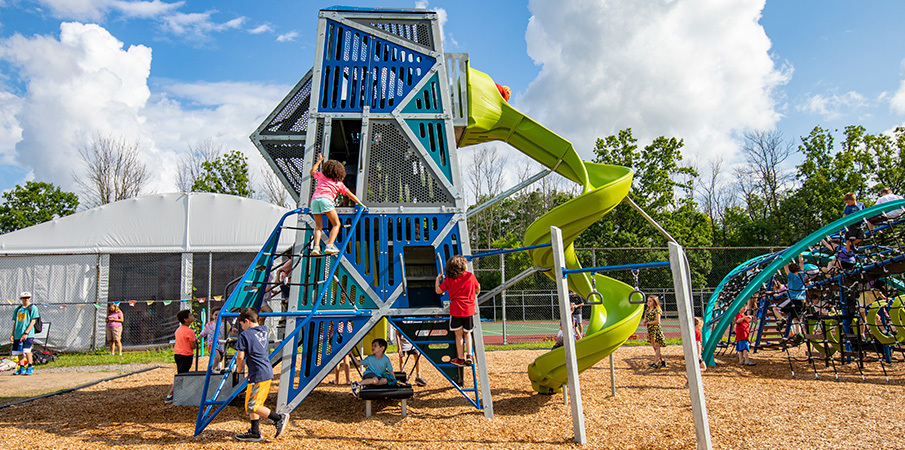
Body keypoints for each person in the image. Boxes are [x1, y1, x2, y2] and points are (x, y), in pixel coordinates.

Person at [233, 308, 289, 442]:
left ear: (246, 321)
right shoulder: (264, 330)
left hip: (257, 374)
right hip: (264, 371)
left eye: (241, 324)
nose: (242, 327)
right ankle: (254, 431)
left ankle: (278, 418)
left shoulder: (244, 336)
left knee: (253, 406)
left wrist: (239, 369)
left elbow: (240, 357)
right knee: (252, 403)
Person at [309, 153, 366, 256]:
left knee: (318, 227)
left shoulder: (321, 176)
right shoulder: (339, 183)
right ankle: (330, 245)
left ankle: (316, 247)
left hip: (314, 201)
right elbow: (350, 195)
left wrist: (319, 161)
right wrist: (361, 204)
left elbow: (312, 171)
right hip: (326, 200)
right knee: (336, 224)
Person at [435, 255, 481, 367]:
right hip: (469, 309)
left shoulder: (450, 280)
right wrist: (474, 293)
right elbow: (478, 288)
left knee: (458, 334)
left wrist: (437, 280)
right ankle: (469, 355)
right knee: (468, 333)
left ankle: (460, 358)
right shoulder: (470, 276)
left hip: (456, 310)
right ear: (462, 266)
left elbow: (438, 290)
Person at [166, 309, 197, 404]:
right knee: (182, 376)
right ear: (186, 319)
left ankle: (178, 394)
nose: (192, 317)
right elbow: (193, 345)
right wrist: (196, 343)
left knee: (181, 374)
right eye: (190, 315)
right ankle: (170, 395)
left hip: (178, 354)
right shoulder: (190, 331)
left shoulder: (178, 330)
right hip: (186, 355)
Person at [773, 256, 806, 343]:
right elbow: (801, 263)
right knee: (796, 318)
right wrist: (800, 256)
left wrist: (785, 258)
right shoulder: (802, 275)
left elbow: (785, 266)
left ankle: (782, 319)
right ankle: (799, 334)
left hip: (792, 299)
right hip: (801, 300)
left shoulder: (790, 276)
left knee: (775, 308)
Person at [9, 292, 39, 376]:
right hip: (18, 334)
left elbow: (33, 321)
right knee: (19, 351)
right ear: (21, 299)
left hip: (28, 334)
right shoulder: (18, 309)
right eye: (24, 297)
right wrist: (12, 334)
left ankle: (29, 366)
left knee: (27, 350)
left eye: (28, 297)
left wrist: (26, 333)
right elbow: (15, 322)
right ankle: (21, 367)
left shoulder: (32, 308)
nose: (26, 299)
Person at [644, 295, 666, 369]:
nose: (648, 303)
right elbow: (645, 319)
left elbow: (657, 321)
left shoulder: (656, 310)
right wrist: (645, 321)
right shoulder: (647, 311)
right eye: (648, 301)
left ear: (654, 302)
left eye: (650, 301)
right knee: (654, 347)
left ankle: (655, 363)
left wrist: (648, 322)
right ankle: (662, 361)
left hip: (656, 329)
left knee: (657, 346)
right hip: (650, 330)